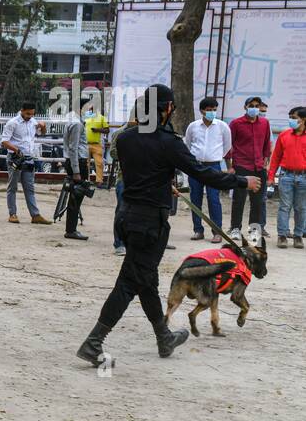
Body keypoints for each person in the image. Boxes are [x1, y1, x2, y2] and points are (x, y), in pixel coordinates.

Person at [76, 84, 259, 366]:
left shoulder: (125, 139)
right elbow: (202, 173)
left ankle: (163, 336)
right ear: (167, 108)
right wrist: (241, 181)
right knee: (129, 282)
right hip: (150, 223)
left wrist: (163, 183)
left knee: (146, 280)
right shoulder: (169, 142)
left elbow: (142, 172)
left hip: (127, 216)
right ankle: (93, 342)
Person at [183, 96, 231, 243]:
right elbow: (188, 143)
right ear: (202, 111)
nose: (212, 112)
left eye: (214, 110)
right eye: (209, 110)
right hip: (196, 166)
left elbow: (227, 146)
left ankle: (217, 232)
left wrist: (215, 157)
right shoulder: (193, 126)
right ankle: (198, 230)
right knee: (195, 198)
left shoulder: (222, 126)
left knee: (214, 198)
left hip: (214, 166)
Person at [227, 96, 272, 239]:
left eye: (257, 105)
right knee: (239, 199)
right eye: (251, 105)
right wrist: (230, 166)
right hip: (241, 167)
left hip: (259, 168)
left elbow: (266, 144)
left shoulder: (265, 123)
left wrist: (265, 162)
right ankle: (235, 228)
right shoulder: (236, 124)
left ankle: (254, 230)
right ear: (245, 107)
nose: (254, 108)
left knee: (258, 201)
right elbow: (229, 146)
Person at [0, 101, 51, 225]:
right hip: (15, 157)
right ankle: (12, 214)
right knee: (13, 187)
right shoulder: (12, 123)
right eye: (28, 113)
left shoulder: (33, 122)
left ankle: (35, 215)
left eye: (32, 114)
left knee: (29, 188)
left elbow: (42, 134)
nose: (30, 116)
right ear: (22, 110)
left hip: (28, 158)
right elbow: (4, 142)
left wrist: (43, 126)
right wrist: (17, 150)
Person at [269, 105, 306, 249]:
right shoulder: (284, 135)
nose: (291, 120)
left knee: (301, 208)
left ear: (303, 120)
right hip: (286, 176)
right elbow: (276, 157)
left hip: (304, 177)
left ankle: (298, 236)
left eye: (294, 118)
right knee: (284, 207)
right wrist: (271, 177)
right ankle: (282, 236)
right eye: (290, 118)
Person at [61, 107, 90, 241]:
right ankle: (71, 229)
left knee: (75, 195)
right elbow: (73, 147)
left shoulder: (72, 120)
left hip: (75, 161)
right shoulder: (77, 123)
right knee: (76, 195)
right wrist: (77, 170)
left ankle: (71, 228)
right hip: (77, 161)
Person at [86, 105, 109, 185]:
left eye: (92, 109)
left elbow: (107, 130)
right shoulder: (85, 116)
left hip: (97, 144)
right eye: (90, 109)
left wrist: (97, 130)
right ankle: (86, 180)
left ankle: (99, 181)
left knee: (99, 163)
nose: (91, 110)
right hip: (86, 144)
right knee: (85, 163)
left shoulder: (102, 118)